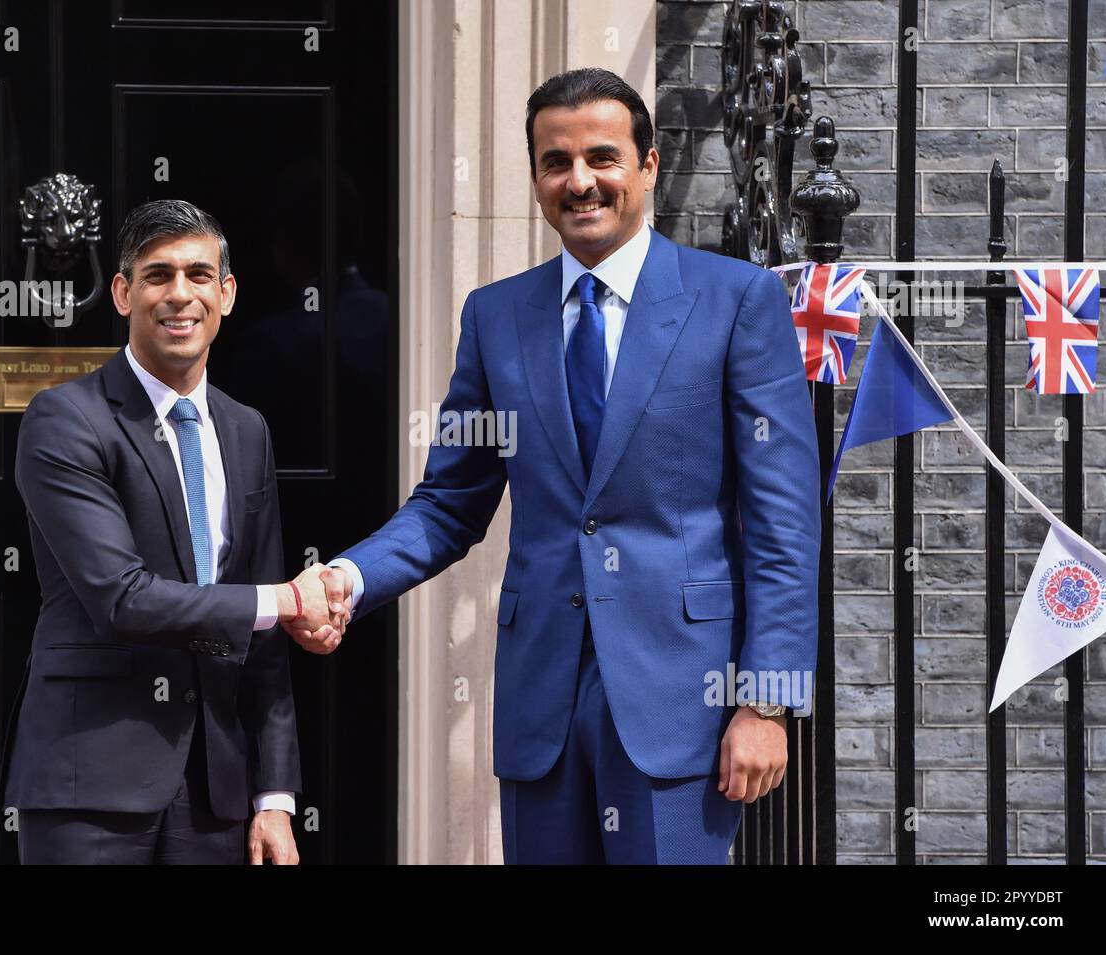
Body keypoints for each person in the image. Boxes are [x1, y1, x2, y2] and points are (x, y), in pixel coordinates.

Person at [294, 69, 821, 864]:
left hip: (685, 702)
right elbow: (449, 502)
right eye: (555, 162)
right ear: (537, 175)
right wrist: (350, 577)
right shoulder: (496, 315)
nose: (580, 182)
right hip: (542, 699)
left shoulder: (736, 300)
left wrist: (768, 701)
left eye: (603, 158)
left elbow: (784, 518)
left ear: (647, 165)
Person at [2, 200, 347, 865]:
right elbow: (123, 597)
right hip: (89, 784)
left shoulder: (248, 430)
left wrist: (274, 794)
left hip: (216, 791)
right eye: (158, 275)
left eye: (198, 273)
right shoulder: (65, 419)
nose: (180, 293)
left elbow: (266, 643)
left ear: (227, 293)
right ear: (124, 293)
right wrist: (287, 598)